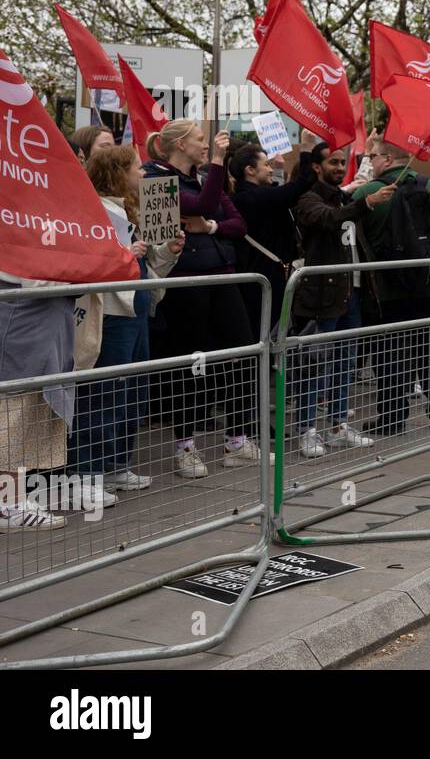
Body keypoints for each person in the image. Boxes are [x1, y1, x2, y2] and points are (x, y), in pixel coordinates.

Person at [143, 120, 261, 477]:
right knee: (191, 365)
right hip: (184, 283)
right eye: (199, 139)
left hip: (223, 277)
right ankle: (185, 446)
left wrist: (209, 227)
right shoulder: (154, 178)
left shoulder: (202, 175)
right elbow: (204, 204)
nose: (207, 145)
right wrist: (218, 165)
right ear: (179, 144)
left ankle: (237, 441)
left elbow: (237, 224)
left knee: (242, 353)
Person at [66, 147, 186, 498]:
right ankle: (86, 474)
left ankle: (116, 464)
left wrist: (168, 252)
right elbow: (94, 262)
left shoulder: (129, 209)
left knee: (131, 393)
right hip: (112, 315)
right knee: (103, 394)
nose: (143, 173)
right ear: (118, 172)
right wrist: (124, 255)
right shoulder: (95, 211)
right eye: (136, 167)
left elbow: (146, 268)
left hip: (136, 310)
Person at [290, 144, 396, 456]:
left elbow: (347, 210)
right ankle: (307, 430)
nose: (339, 167)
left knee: (344, 363)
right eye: (333, 162)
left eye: (342, 162)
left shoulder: (344, 197)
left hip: (353, 294)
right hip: (322, 295)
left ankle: (337, 425)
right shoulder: (308, 199)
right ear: (316, 167)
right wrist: (369, 201)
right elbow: (329, 220)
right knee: (313, 365)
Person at [352, 146, 430, 435]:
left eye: (373, 156)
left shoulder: (370, 191)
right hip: (428, 285)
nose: (371, 160)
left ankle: (392, 418)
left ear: (388, 159)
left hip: (385, 287)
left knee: (387, 354)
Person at [0, 271, 76, 531]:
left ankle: (13, 500)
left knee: (25, 415)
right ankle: (7, 504)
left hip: (37, 329)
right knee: (13, 414)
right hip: (22, 331)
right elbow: (31, 275)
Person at [229, 142, 314, 331]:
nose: (269, 168)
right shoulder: (251, 198)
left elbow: (277, 195)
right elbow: (300, 185)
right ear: (250, 170)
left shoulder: (246, 196)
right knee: (268, 333)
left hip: (263, 275)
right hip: (265, 279)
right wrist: (306, 150)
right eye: (266, 164)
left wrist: (277, 171)